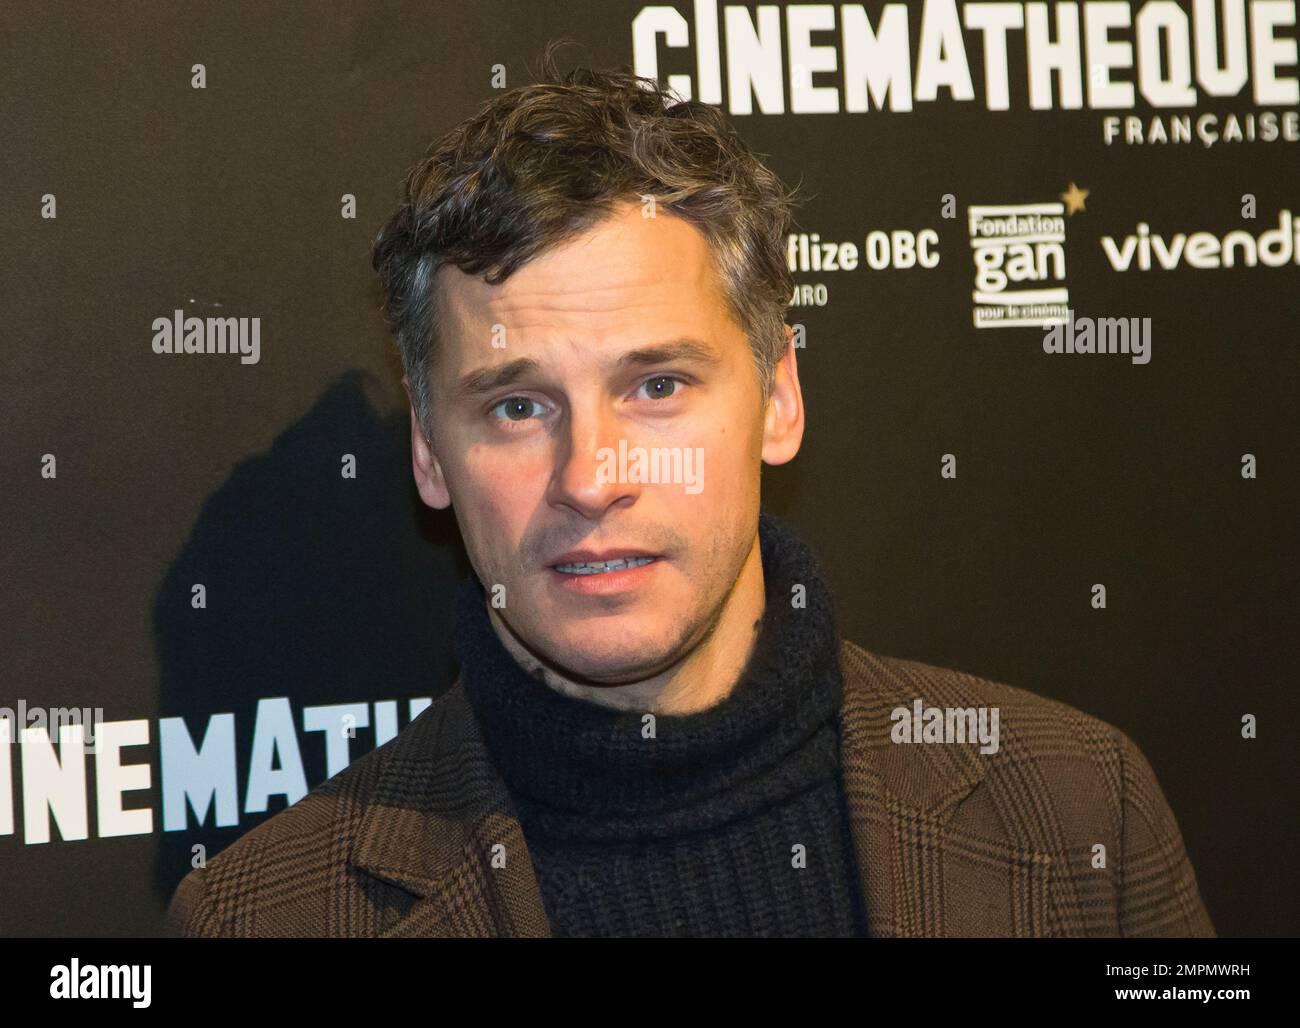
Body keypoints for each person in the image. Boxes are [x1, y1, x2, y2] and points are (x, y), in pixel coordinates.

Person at [165, 49, 1213, 939]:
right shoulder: (266, 917)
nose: (592, 477)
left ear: (778, 396)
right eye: (518, 407)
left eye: (657, 385)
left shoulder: (1078, 809)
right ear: (432, 457)